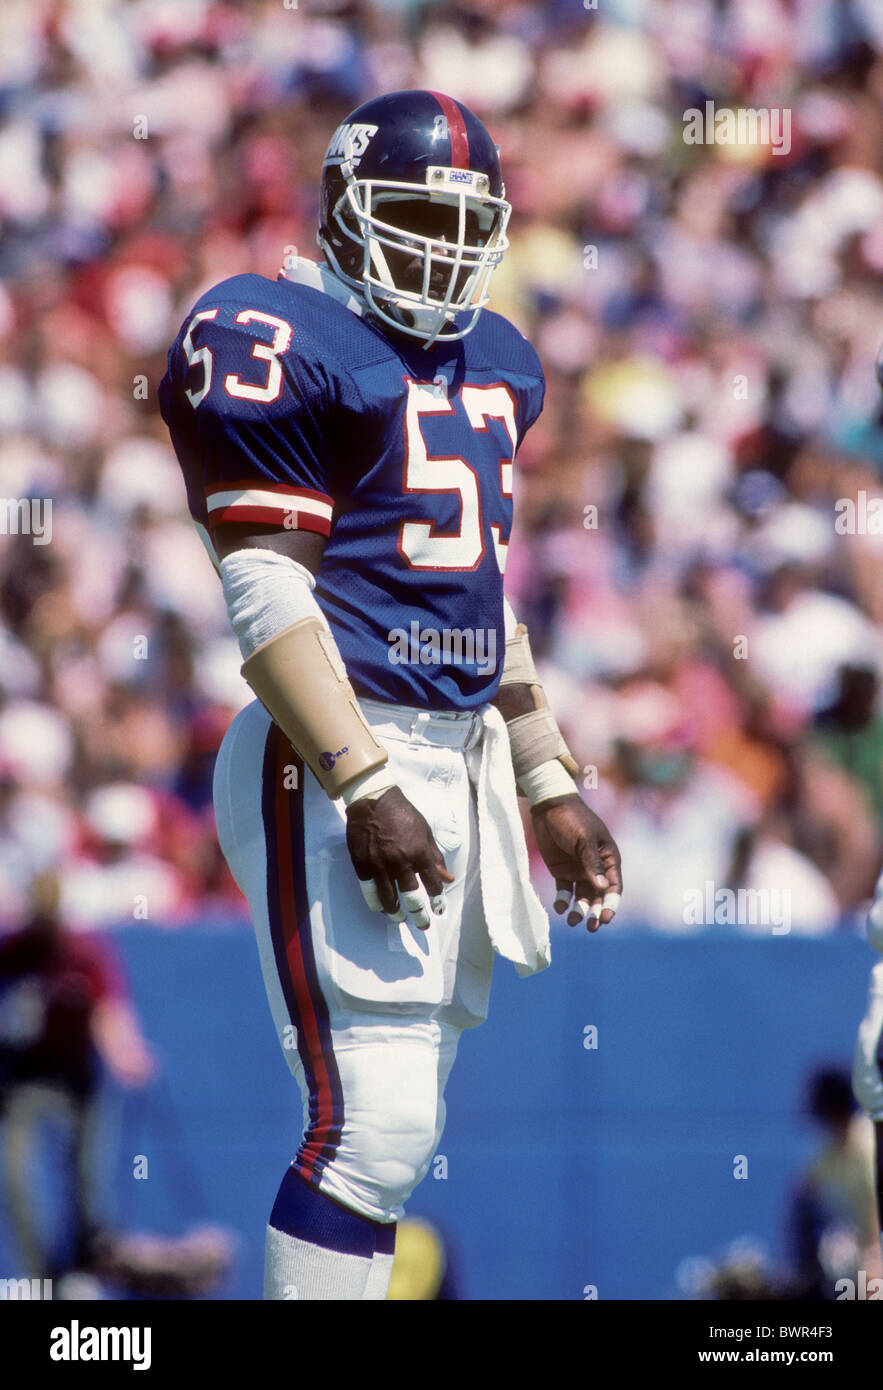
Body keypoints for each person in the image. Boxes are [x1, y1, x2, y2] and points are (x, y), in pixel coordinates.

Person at [159, 89, 622, 1301]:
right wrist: (358, 775)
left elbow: (478, 594)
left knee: (399, 1134)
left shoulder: (497, 363)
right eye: (415, 213)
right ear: (341, 209)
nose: (442, 247)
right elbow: (263, 594)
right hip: (334, 746)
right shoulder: (277, 335)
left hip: (454, 749)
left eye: (467, 223)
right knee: (368, 1130)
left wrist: (546, 774)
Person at [0, 873, 154, 1281]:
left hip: (76, 1076)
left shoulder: (83, 952)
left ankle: (82, 1265)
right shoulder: (18, 949)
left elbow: (110, 1012)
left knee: (86, 1175)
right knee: (15, 1173)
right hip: (25, 1076)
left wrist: (126, 1053)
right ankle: (40, 1275)